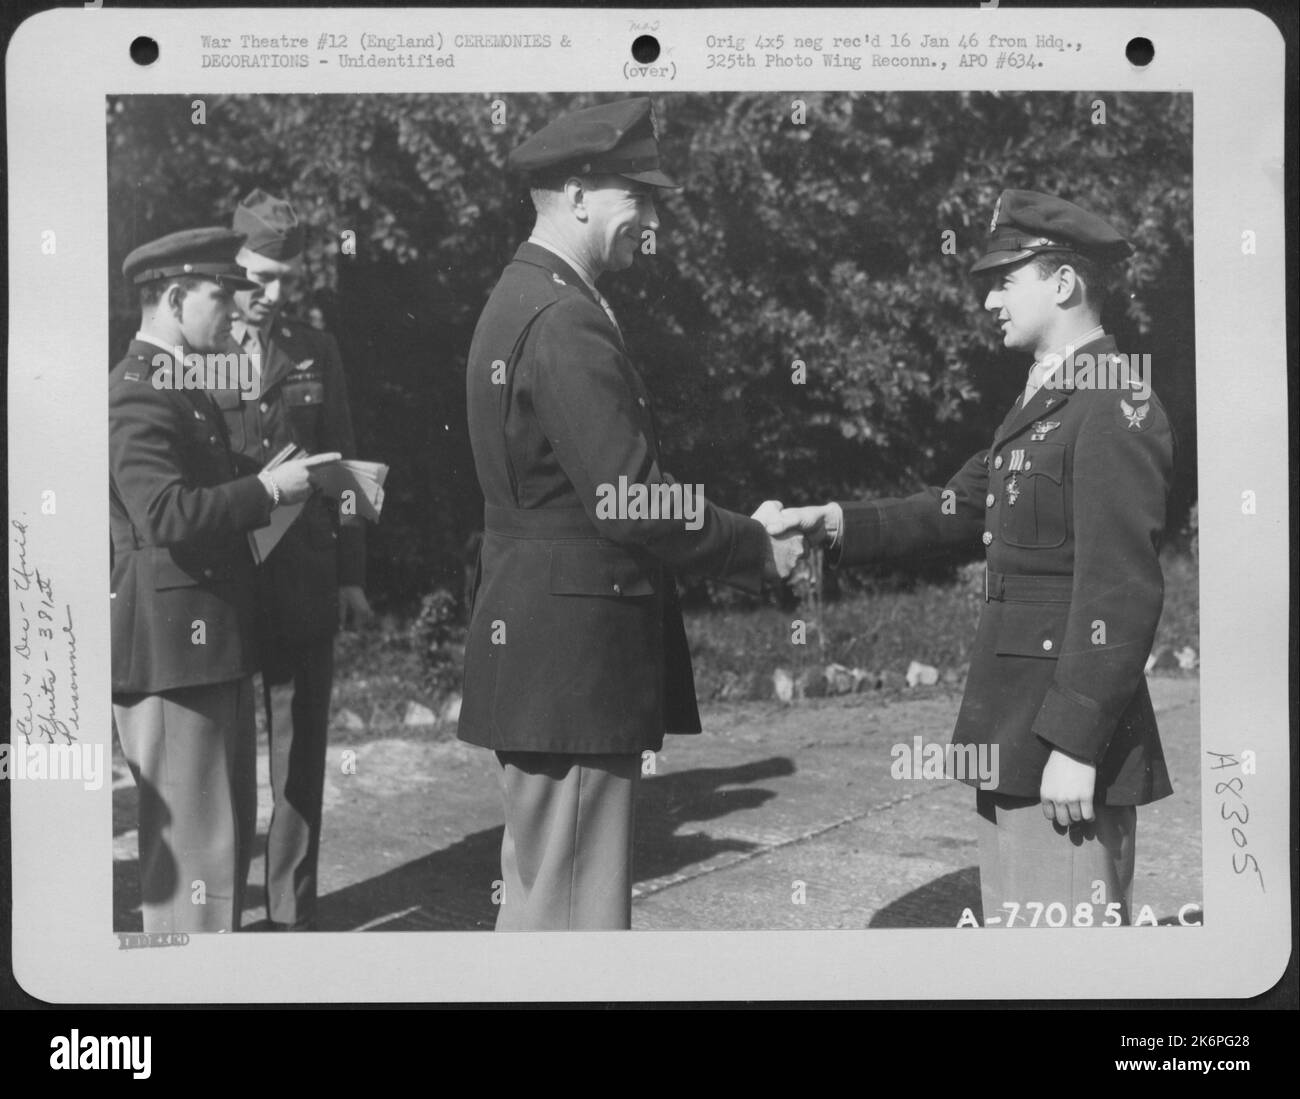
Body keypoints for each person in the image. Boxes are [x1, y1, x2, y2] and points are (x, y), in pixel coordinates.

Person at [766, 190, 1174, 927]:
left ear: (1063, 282)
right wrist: (829, 522)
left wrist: (1078, 743)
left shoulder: (1114, 400)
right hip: (1017, 735)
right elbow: (953, 507)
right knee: (1021, 951)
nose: (987, 299)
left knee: (1067, 964)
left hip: (1064, 747)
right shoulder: (1045, 398)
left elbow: (1120, 588)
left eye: (1003, 280)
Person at [459, 98, 804, 931]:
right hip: (574, 663)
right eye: (636, 198)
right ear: (578, 194)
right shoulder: (566, 318)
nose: (651, 220)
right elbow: (630, 496)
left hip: (547, 653)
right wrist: (753, 542)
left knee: (546, 905)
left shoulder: (526, 296)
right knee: (574, 924)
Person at [110, 227, 326, 932]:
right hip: (176, 656)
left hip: (208, 647)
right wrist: (266, 489)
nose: (237, 314)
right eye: (219, 298)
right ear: (173, 298)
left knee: (219, 858)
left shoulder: (182, 383)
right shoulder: (140, 390)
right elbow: (165, 511)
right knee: (194, 880)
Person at [215, 189, 371, 931]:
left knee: (300, 761)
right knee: (218, 760)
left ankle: (290, 918)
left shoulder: (317, 348)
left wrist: (352, 576)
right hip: (225, 584)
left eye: (282, 280)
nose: (269, 296)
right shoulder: (195, 353)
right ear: (230, 266)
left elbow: (346, 467)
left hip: (306, 577)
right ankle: (218, 915)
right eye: (255, 278)